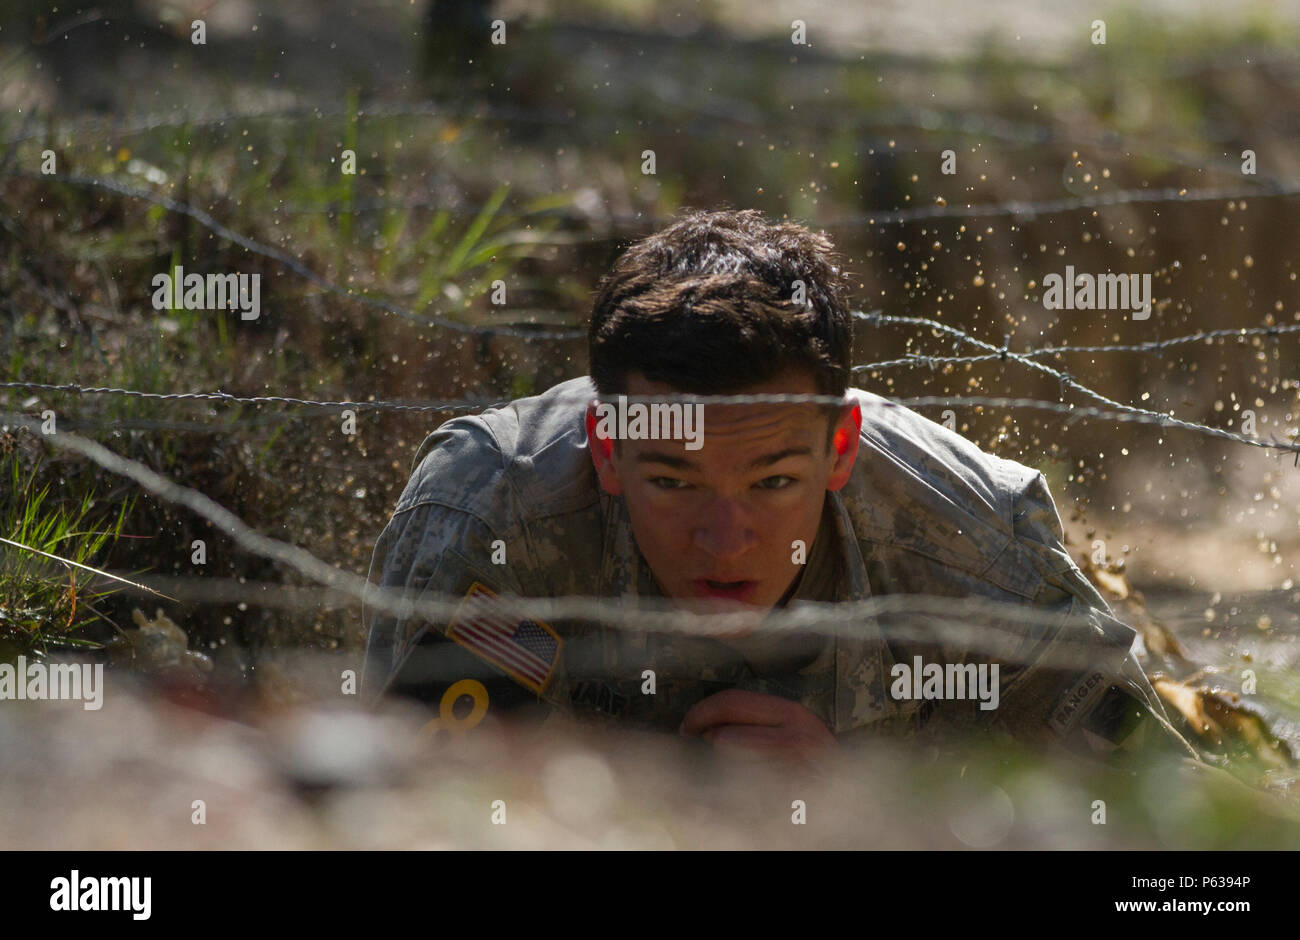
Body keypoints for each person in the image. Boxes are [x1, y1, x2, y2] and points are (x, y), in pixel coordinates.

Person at [361, 208, 1198, 766]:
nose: (725, 539)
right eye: (674, 481)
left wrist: (865, 821)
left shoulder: (972, 552)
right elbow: (400, 824)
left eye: (771, 481)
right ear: (607, 450)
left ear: (841, 449)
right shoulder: (491, 526)